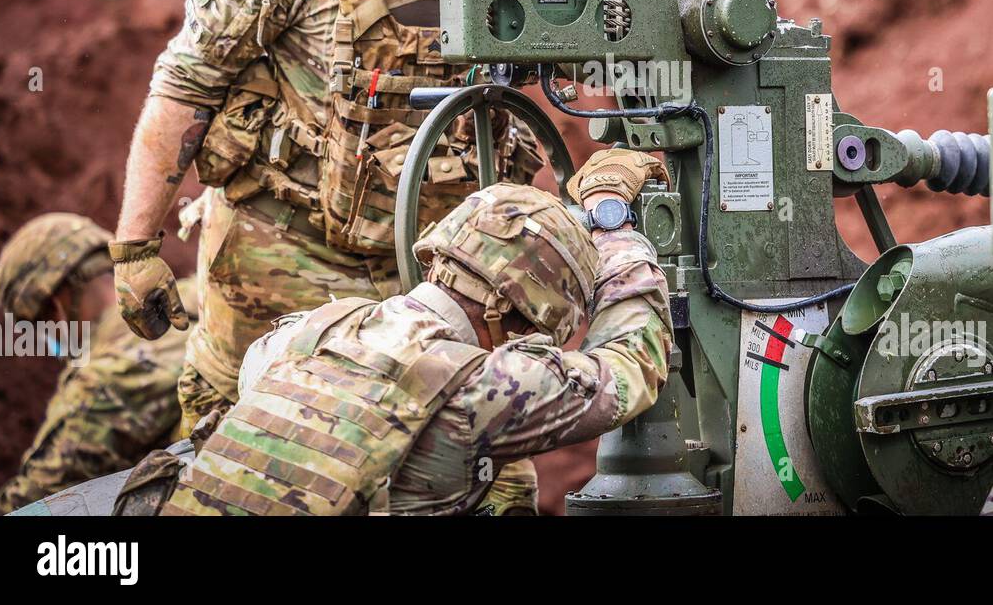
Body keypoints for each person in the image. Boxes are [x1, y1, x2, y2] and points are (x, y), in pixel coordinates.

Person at [108, 0, 543, 468]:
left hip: (448, 297)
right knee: (257, 483)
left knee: (480, 487)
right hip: (284, 299)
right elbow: (186, 85)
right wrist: (135, 245)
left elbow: (610, 46)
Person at [162, 150, 673, 515]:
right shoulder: (487, 391)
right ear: (510, 314)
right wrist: (614, 226)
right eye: (535, 329)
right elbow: (635, 362)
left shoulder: (307, 333)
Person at [0, 214, 195, 515]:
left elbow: (36, 499)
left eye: (38, 325)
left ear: (56, 305)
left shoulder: (105, 379)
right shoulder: (199, 297)